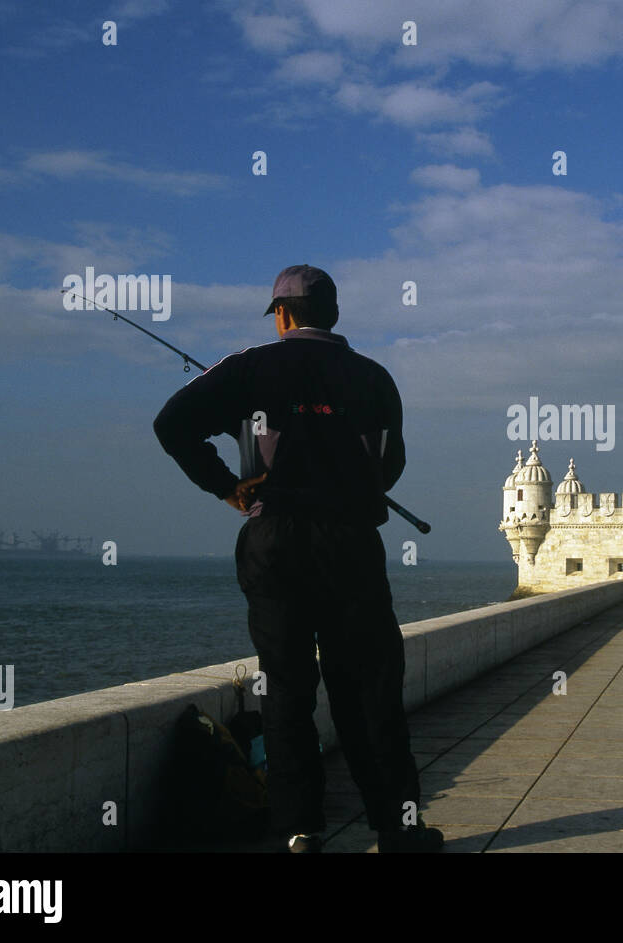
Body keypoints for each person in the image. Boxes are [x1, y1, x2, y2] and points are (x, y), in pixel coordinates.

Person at [153, 264, 442, 854]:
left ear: (281, 315)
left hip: (275, 540)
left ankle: (298, 831)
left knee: (285, 687)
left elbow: (172, 423)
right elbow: (391, 464)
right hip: (352, 543)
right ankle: (398, 828)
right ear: (333, 314)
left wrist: (225, 485)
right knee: (368, 687)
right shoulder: (375, 379)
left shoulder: (249, 368)